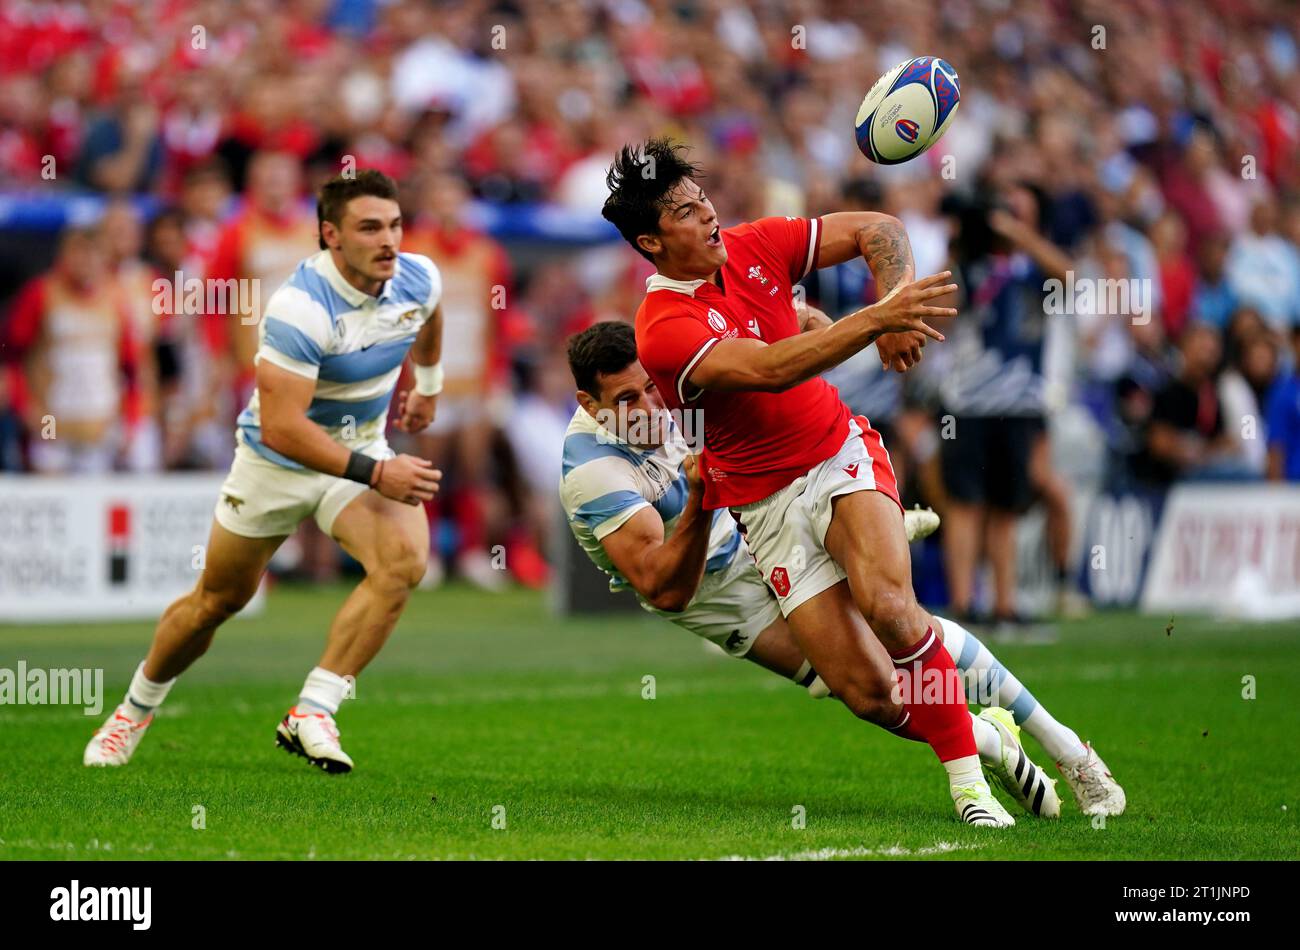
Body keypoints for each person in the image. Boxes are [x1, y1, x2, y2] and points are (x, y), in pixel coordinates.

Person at [605, 137, 1013, 826]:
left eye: (703, 198)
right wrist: (875, 321)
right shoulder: (662, 330)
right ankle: (988, 736)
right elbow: (769, 369)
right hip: (764, 504)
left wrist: (895, 300)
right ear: (650, 240)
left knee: (888, 603)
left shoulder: (757, 243)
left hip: (836, 451)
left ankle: (970, 788)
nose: (707, 214)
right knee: (866, 693)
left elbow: (880, 229)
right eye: (684, 210)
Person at [561, 321, 1125, 818]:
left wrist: (861, 328)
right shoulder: (594, 473)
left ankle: (1070, 749)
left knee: (902, 619)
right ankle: (991, 740)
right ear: (591, 405)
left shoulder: (684, 375)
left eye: (652, 389)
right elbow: (666, 588)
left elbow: (789, 329)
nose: (650, 408)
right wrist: (703, 496)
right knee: (870, 691)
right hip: (721, 594)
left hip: (764, 526)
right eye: (627, 400)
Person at [84, 170, 446, 774]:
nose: (388, 241)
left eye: (395, 225)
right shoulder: (300, 306)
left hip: (356, 451)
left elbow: (429, 319)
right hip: (276, 463)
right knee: (215, 603)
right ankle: (132, 711)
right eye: (369, 228)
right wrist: (379, 475)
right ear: (330, 235)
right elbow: (283, 427)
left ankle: (312, 710)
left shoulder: (417, 275)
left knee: (403, 561)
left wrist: (428, 387)